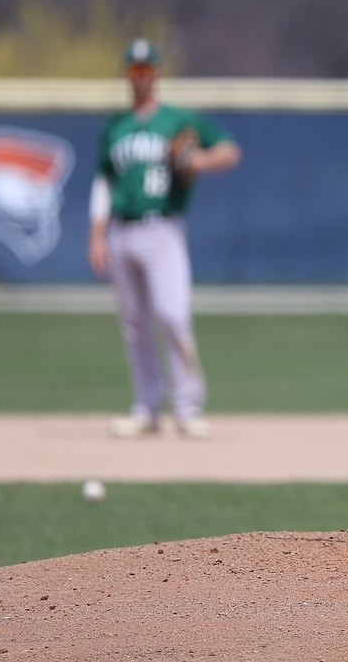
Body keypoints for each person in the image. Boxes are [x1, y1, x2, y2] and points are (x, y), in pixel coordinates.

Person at [88, 38, 241, 439]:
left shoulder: (178, 119)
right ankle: (146, 408)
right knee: (134, 324)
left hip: (162, 229)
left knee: (173, 316)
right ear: (126, 75)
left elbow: (229, 150)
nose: (140, 76)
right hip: (122, 229)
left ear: (157, 74)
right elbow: (104, 181)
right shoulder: (115, 126)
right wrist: (97, 235)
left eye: (147, 69)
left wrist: (200, 160)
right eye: (134, 69)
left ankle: (188, 408)